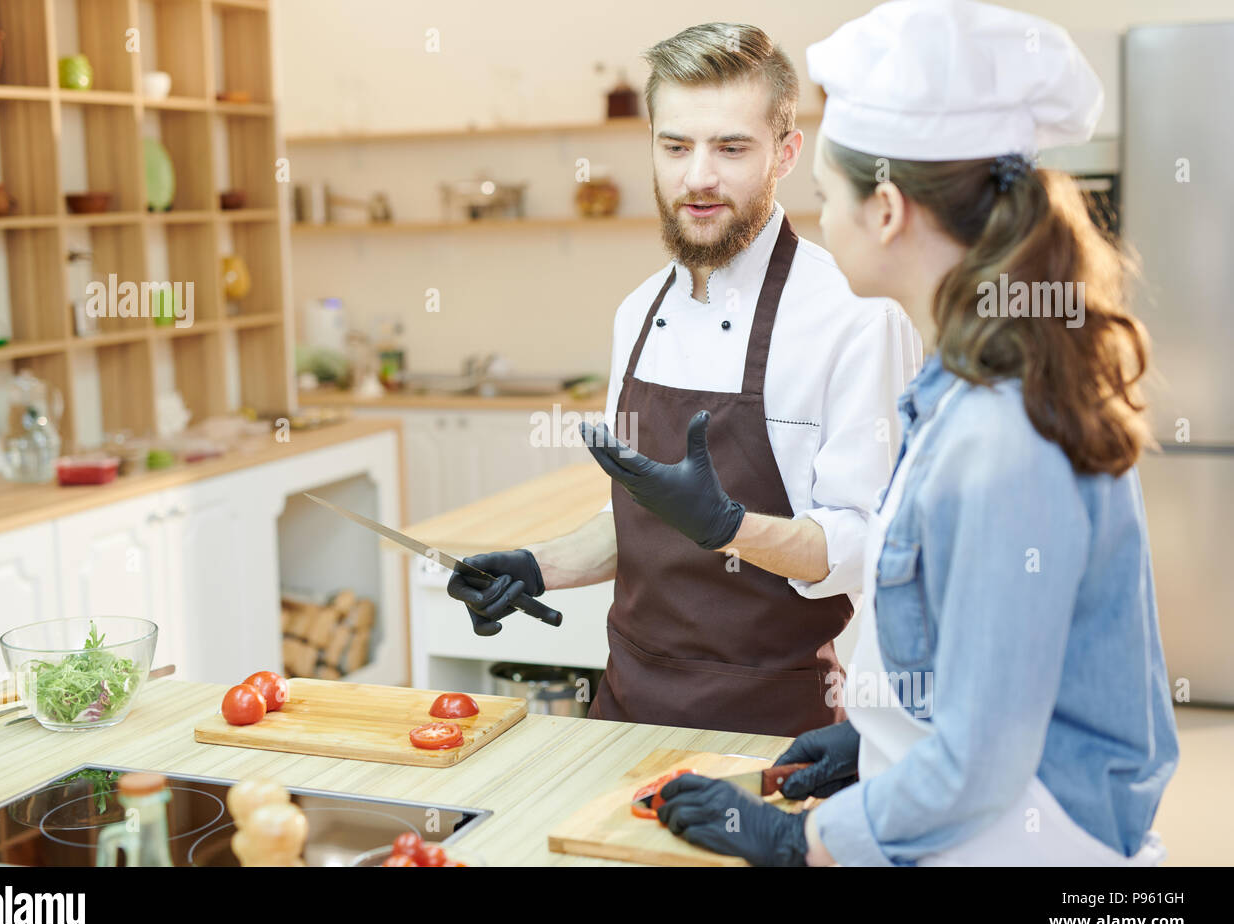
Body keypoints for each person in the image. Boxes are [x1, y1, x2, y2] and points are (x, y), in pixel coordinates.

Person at [651, 0, 1179, 865]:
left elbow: (979, 766)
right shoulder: (963, 394)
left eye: (828, 196)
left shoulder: (1003, 437)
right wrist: (874, 740)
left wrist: (796, 840)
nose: (822, 221)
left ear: (888, 209)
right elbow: (989, 669)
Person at [447, 22, 920, 737]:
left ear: (786, 153)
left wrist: (730, 528)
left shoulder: (854, 316)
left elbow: (869, 544)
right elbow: (647, 522)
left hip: (770, 727)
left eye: (731, 147)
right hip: (624, 712)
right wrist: (537, 567)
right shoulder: (637, 313)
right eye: (675, 146)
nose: (698, 177)